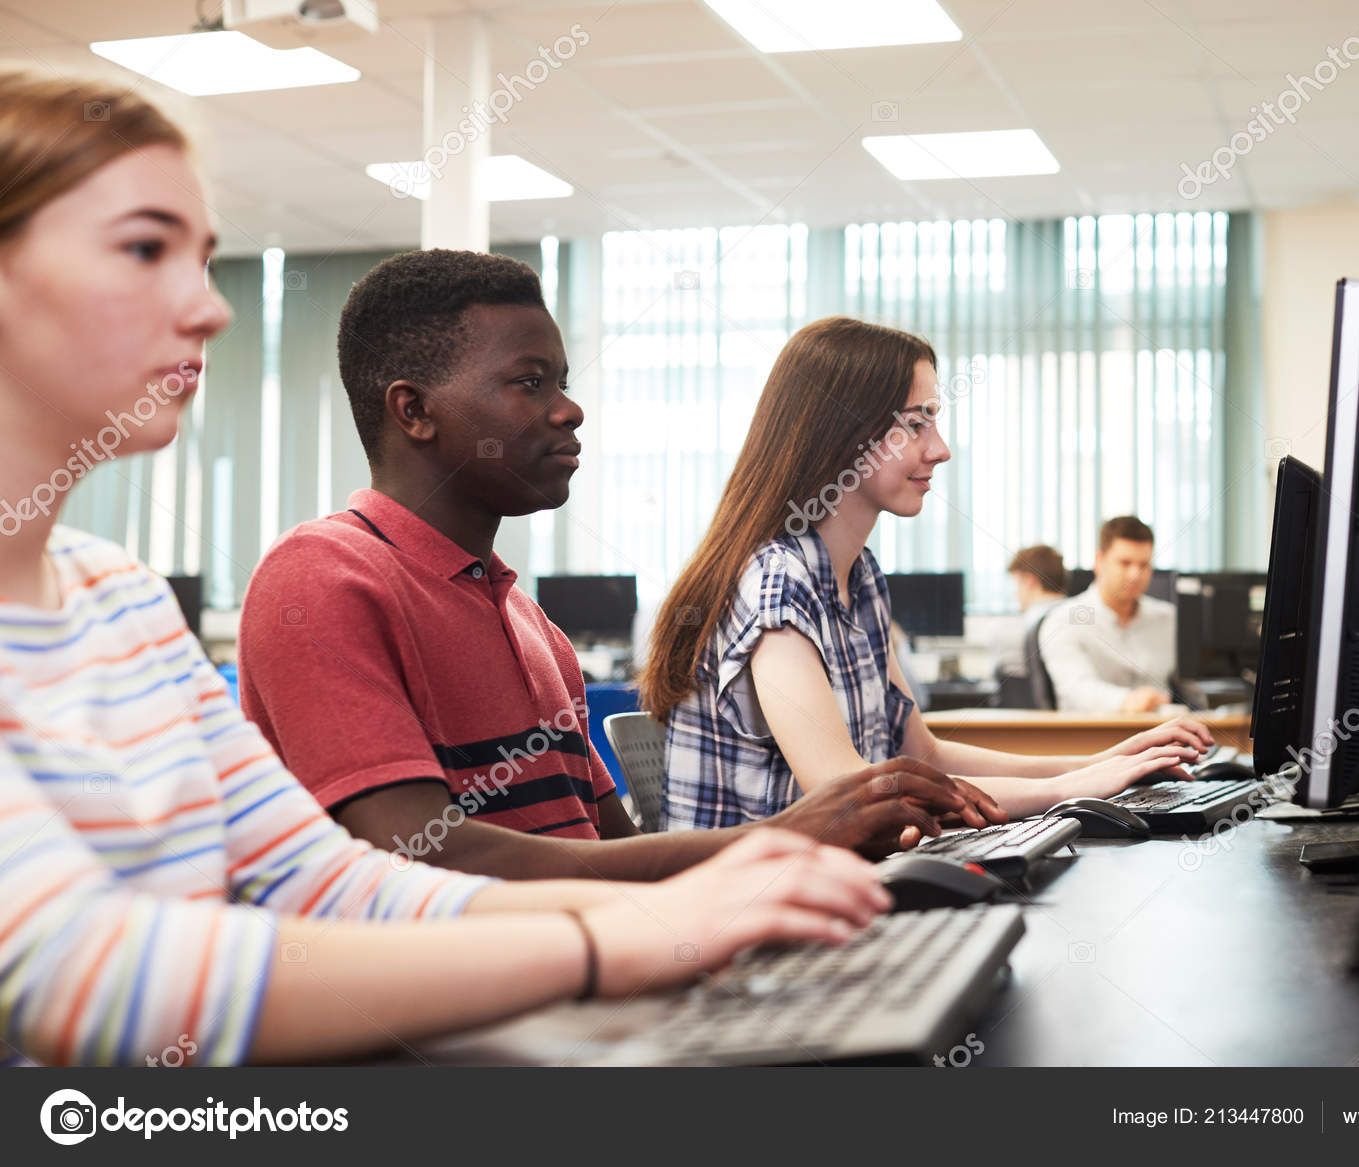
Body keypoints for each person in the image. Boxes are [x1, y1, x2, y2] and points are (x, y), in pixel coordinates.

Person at [0, 69, 889, 1067]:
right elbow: (83, 974)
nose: (210, 309)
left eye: (204, 260)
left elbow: (328, 882)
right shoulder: (320, 573)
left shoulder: (121, 600)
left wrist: (698, 910)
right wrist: (610, 942)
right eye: (144, 249)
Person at [235, 250, 992, 881]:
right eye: (530, 382)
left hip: (591, 974)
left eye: (563, 382)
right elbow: (416, 854)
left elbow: (616, 855)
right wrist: (787, 837)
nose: (569, 410)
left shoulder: (529, 624)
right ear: (414, 411)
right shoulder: (323, 577)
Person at [637, 317, 1211, 830]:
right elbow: (846, 795)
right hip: (752, 904)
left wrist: (1102, 763)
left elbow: (924, 756)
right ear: (842, 432)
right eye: (916, 424)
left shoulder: (859, 578)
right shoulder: (778, 583)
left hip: (826, 882)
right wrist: (1072, 790)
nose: (940, 449)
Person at [1037, 516, 1177, 713]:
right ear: (1099, 561)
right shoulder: (1062, 620)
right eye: (1125, 563)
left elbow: (1193, 684)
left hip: (1164, 729)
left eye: (1144, 565)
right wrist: (1129, 701)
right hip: (1093, 729)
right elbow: (1076, 689)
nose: (1135, 574)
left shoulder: (1169, 619)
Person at [993, 544, 1071, 681]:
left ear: (1029, 581)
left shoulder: (1010, 634)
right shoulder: (1083, 618)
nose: (1015, 593)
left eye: (1017, 584)